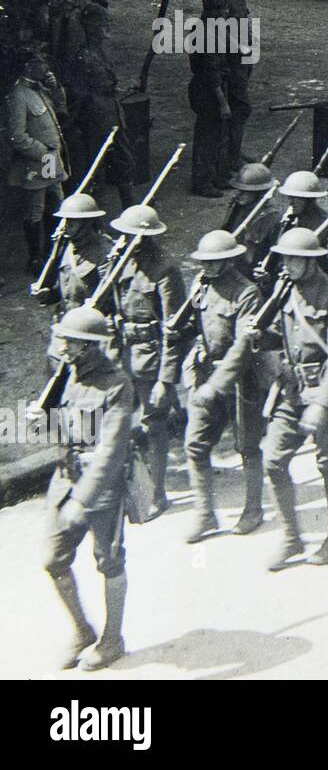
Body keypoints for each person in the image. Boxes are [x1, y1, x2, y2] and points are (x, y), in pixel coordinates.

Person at [42, 306, 133, 671]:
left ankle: (113, 639)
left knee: (109, 561)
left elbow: (112, 448)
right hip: (65, 480)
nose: (63, 346)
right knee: (53, 559)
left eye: (71, 342)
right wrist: (41, 421)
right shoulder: (68, 374)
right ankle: (82, 630)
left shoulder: (117, 384)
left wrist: (83, 499)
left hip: (101, 487)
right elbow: (62, 426)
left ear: (90, 346)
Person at [262, 227, 328, 570]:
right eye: (284, 258)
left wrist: (322, 404)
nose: (286, 265)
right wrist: (258, 336)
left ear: (310, 261)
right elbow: (278, 337)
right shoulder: (284, 290)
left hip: (325, 393)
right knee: (273, 460)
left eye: (293, 259)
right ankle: (291, 538)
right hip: (291, 389)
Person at [178, 230, 270, 544]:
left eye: (215, 261)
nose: (208, 266)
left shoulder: (247, 293)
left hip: (241, 380)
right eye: (204, 261)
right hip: (206, 375)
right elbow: (195, 325)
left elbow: (243, 347)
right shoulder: (200, 286)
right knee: (195, 444)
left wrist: (216, 385)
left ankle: (254, 509)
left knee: (247, 446)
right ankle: (205, 513)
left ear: (230, 260)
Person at [107, 203, 185, 521]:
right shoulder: (121, 262)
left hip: (151, 358)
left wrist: (167, 379)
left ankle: (157, 492)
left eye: (130, 236)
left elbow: (174, 330)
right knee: (121, 423)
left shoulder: (165, 270)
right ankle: (132, 486)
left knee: (155, 425)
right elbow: (113, 308)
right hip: (124, 354)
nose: (124, 241)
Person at [62, 6, 135, 211]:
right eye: (102, 25)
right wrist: (73, 124)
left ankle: (130, 209)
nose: (106, 29)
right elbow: (78, 93)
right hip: (95, 116)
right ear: (92, 29)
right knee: (96, 166)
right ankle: (93, 218)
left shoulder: (102, 51)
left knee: (124, 160)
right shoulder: (83, 57)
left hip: (112, 112)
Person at [7, 54, 71, 272]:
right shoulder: (19, 95)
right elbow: (17, 136)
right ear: (28, 67)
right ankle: (35, 259)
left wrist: (56, 87)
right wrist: (43, 151)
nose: (46, 66)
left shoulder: (40, 89)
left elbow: (61, 109)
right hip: (38, 161)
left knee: (57, 201)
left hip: (51, 160)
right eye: (40, 63)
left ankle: (52, 252)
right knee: (36, 210)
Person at [188, 0, 231, 198]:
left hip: (203, 88)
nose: (226, 14)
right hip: (209, 91)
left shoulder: (204, 28)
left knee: (214, 135)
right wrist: (223, 103)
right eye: (223, 10)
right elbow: (212, 74)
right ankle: (203, 182)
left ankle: (214, 177)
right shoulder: (209, 35)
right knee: (208, 137)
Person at [219, 0, 255, 180]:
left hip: (242, 60)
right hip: (234, 62)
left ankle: (235, 151)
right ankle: (231, 156)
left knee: (240, 107)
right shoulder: (228, 0)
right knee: (240, 107)